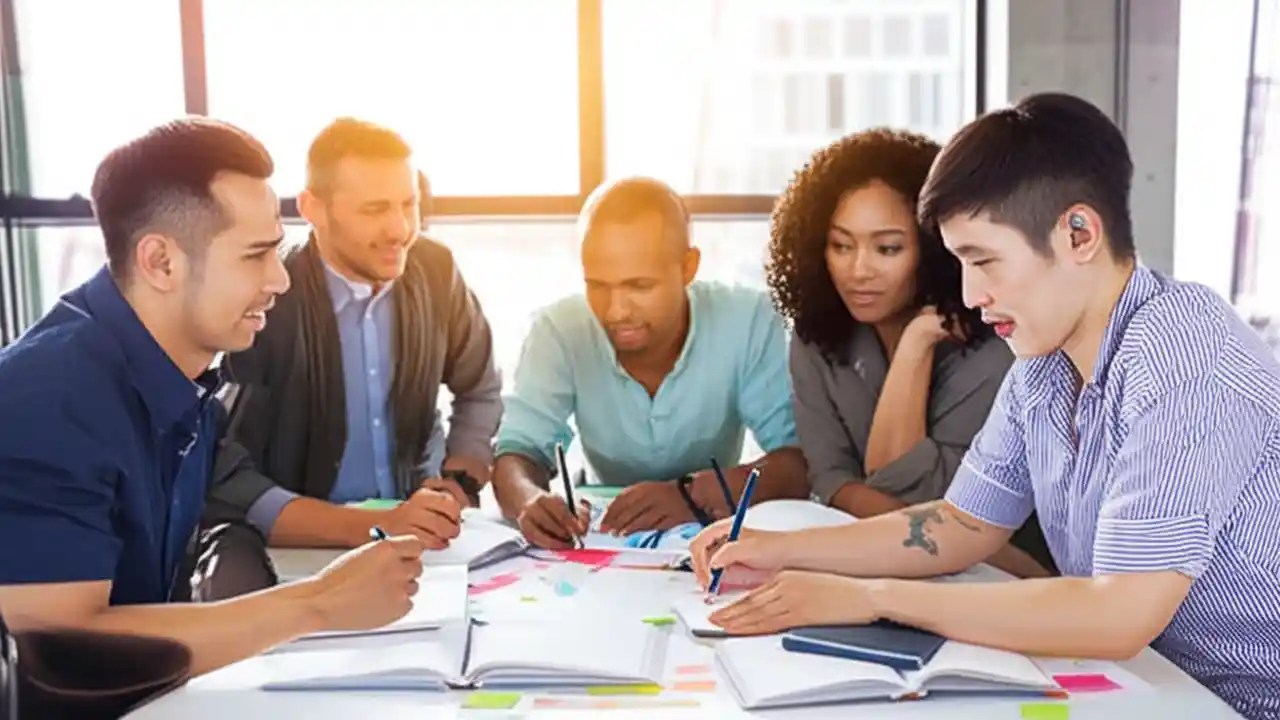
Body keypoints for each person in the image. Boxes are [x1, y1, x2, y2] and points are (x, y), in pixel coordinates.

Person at [687, 93, 1280, 720]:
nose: (971, 295)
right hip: (1158, 689)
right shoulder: (1043, 366)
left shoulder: (1185, 353)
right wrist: (777, 547)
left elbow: (1118, 613)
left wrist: (870, 598)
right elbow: (960, 525)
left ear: (1079, 234)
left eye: (984, 260)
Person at [0, 118, 424, 676]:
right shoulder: (47, 398)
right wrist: (317, 604)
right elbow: (57, 645)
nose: (280, 280)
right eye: (255, 256)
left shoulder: (182, 377)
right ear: (161, 262)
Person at [767, 128, 1052, 576]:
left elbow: (927, 494)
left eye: (888, 249)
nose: (858, 270)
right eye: (841, 246)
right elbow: (829, 478)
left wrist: (916, 345)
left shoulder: (993, 346)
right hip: (895, 561)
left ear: (934, 248)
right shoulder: (816, 337)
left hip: (1004, 576)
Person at [207, 118, 502, 551]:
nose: (400, 229)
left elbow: (479, 386)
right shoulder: (266, 296)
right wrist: (362, 526)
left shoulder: (435, 271)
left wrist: (460, 478)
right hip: (296, 547)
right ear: (312, 209)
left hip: (418, 540)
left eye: (408, 204)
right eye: (374, 209)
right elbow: (220, 462)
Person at [492, 177, 809, 548]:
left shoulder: (748, 319)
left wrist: (692, 494)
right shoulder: (558, 330)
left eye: (639, 286)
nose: (615, 311)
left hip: (710, 538)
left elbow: (799, 463)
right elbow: (516, 453)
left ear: (688, 267)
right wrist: (530, 500)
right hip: (607, 544)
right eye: (598, 285)